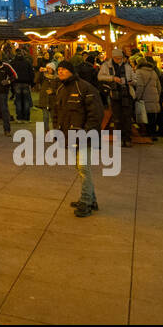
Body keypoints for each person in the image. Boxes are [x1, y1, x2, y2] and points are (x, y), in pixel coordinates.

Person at [54, 63, 104, 217]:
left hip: (85, 136)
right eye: (59, 69)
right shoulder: (61, 89)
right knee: (81, 168)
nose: (60, 71)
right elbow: (57, 113)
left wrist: (87, 132)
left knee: (83, 168)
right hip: (70, 135)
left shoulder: (84, 88)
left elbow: (96, 113)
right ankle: (91, 199)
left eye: (64, 69)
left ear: (71, 71)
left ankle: (86, 201)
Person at [98, 47, 136, 147]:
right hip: (114, 94)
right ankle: (119, 139)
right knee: (117, 117)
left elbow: (135, 78)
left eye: (120, 58)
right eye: (117, 58)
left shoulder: (127, 66)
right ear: (113, 57)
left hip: (127, 94)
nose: (119, 60)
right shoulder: (107, 66)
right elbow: (100, 77)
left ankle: (127, 138)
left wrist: (131, 82)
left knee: (127, 117)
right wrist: (113, 78)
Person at [130, 56, 162, 142]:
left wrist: (137, 97)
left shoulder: (139, 72)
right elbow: (159, 86)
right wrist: (157, 95)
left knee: (145, 116)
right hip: (154, 97)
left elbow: (140, 86)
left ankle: (147, 134)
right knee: (152, 116)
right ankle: (153, 133)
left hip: (145, 97)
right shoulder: (153, 72)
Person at [10, 46, 35, 122]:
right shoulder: (27, 62)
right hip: (26, 83)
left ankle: (19, 118)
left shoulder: (13, 63)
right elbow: (31, 73)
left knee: (18, 101)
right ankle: (26, 118)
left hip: (17, 83)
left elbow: (11, 74)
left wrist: (12, 84)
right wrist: (32, 83)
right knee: (26, 101)